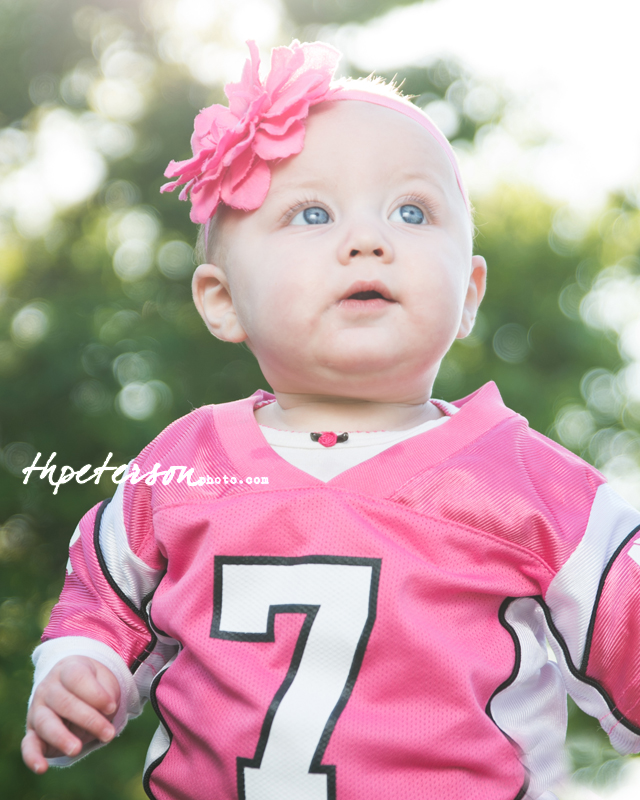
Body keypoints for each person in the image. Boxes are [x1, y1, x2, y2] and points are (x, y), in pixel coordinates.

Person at [21, 40, 640, 800]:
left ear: (469, 291)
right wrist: (81, 668)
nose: (369, 239)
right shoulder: (184, 465)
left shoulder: (530, 485)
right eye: (311, 213)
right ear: (222, 300)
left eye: (412, 211)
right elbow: (103, 597)